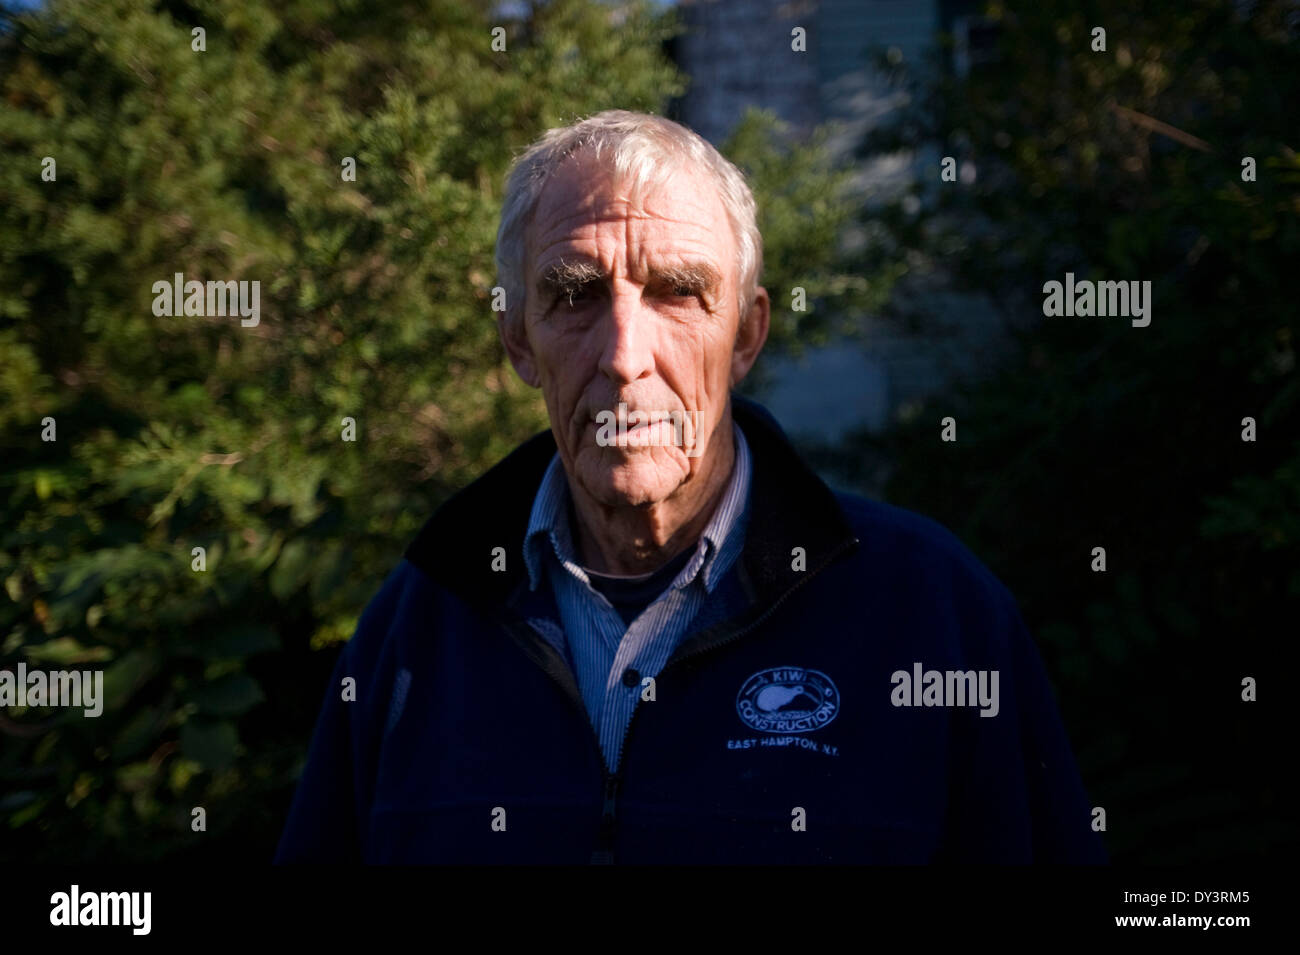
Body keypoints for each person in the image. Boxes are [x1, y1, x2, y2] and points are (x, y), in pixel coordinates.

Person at [274, 110, 1106, 864]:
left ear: (745, 333)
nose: (625, 355)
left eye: (678, 293)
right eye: (573, 295)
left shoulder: (934, 613)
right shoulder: (419, 625)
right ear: (518, 340)